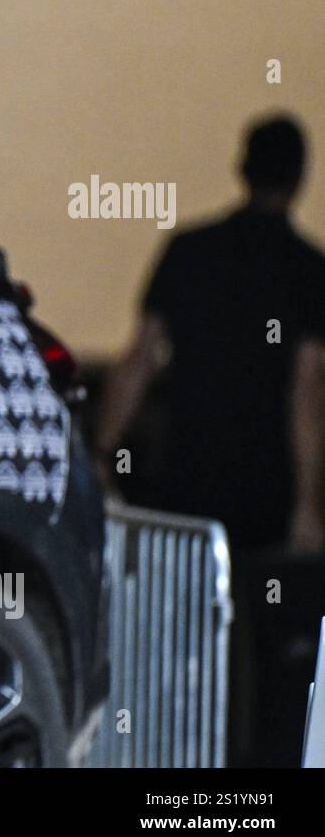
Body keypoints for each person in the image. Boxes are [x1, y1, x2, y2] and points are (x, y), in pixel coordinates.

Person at [95, 113, 325, 765]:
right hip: (266, 481)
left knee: (180, 623)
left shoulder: (190, 250)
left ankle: (175, 757)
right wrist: (309, 502)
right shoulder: (308, 269)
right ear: (300, 177)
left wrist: (105, 452)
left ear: (242, 166)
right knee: (264, 639)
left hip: (188, 469)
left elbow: (138, 359)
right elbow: (306, 391)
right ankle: (245, 763)